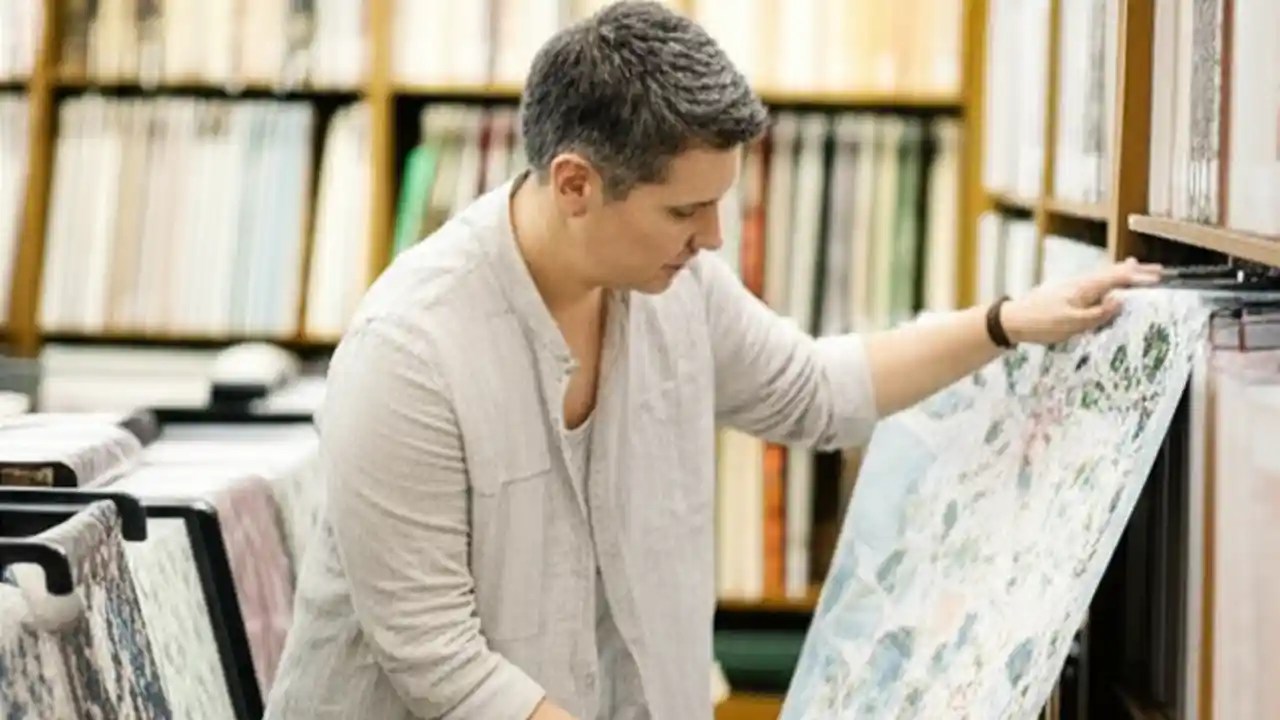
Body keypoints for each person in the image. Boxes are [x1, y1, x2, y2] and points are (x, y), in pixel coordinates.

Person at [264, 2, 1161, 718]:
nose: (715, 237)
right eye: (684, 211)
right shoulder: (408, 354)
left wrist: (1006, 322)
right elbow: (439, 661)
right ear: (575, 183)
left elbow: (816, 390)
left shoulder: (676, 288)